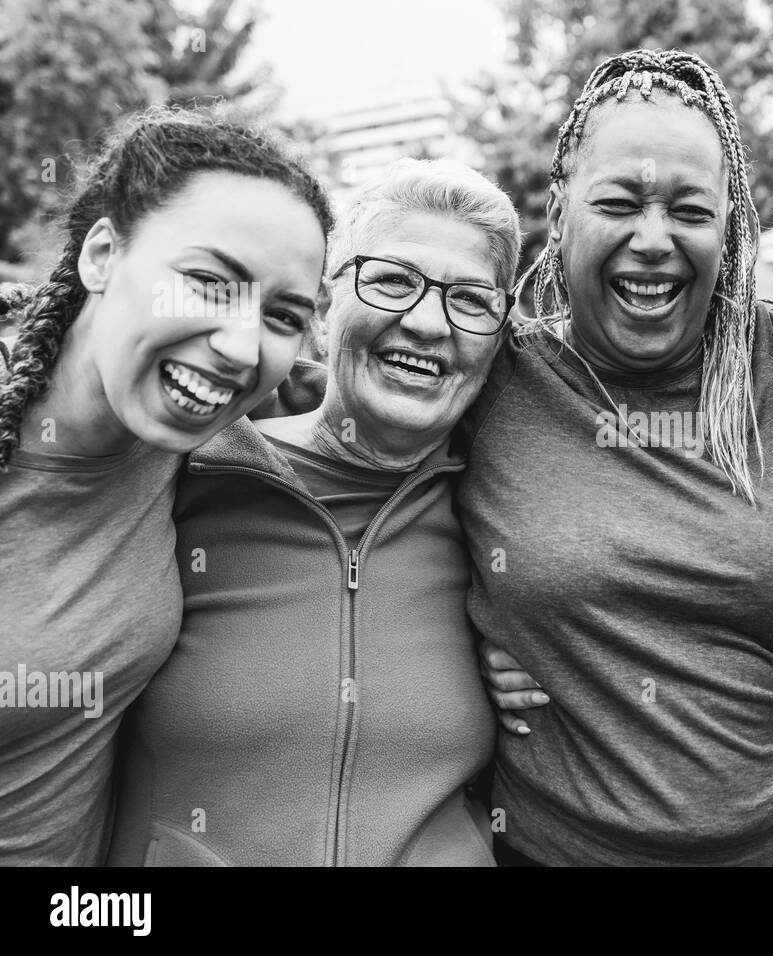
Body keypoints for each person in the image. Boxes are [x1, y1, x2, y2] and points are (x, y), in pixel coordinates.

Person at [467, 49, 773, 866]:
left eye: (689, 209)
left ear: (730, 225)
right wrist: (450, 645)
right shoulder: (491, 376)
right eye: (620, 202)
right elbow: (356, 479)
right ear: (561, 212)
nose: (653, 240)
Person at [107, 159, 521, 866]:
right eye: (391, 280)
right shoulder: (172, 473)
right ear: (325, 310)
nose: (426, 322)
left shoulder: (505, 519)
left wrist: (549, 644)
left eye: (471, 300)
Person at [0, 107, 332, 865]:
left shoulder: (191, 425)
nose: (240, 345)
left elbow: (392, 410)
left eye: (283, 314)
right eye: (209, 284)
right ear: (102, 254)